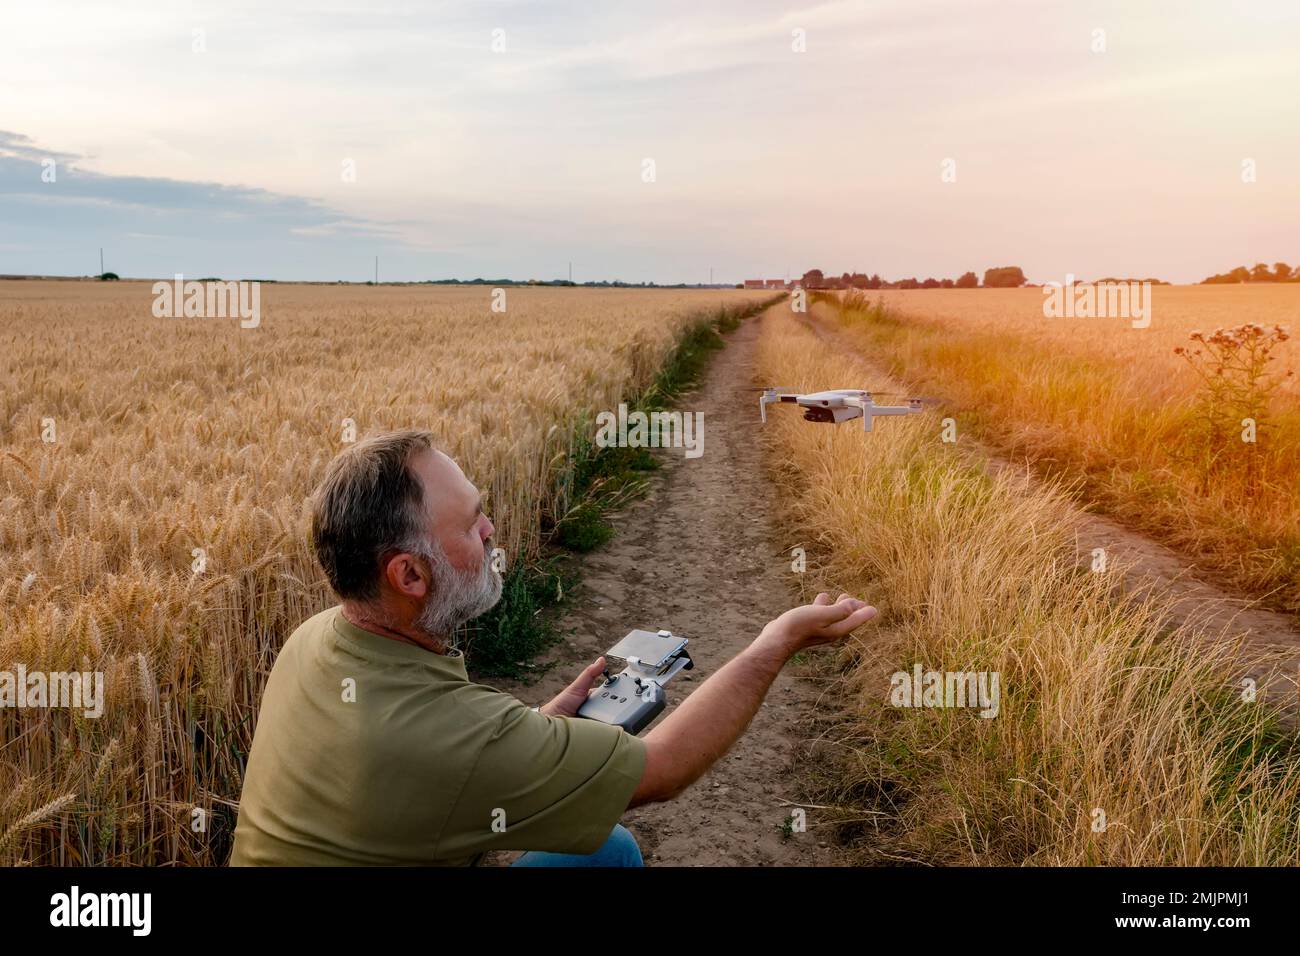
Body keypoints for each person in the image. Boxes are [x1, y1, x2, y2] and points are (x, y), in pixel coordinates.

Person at [230, 429, 878, 866]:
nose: (490, 530)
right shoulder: (445, 735)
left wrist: (544, 725)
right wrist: (775, 642)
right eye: (470, 523)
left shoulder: (314, 639)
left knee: (603, 849)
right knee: (612, 850)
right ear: (409, 575)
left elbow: (435, 778)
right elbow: (664, 768)